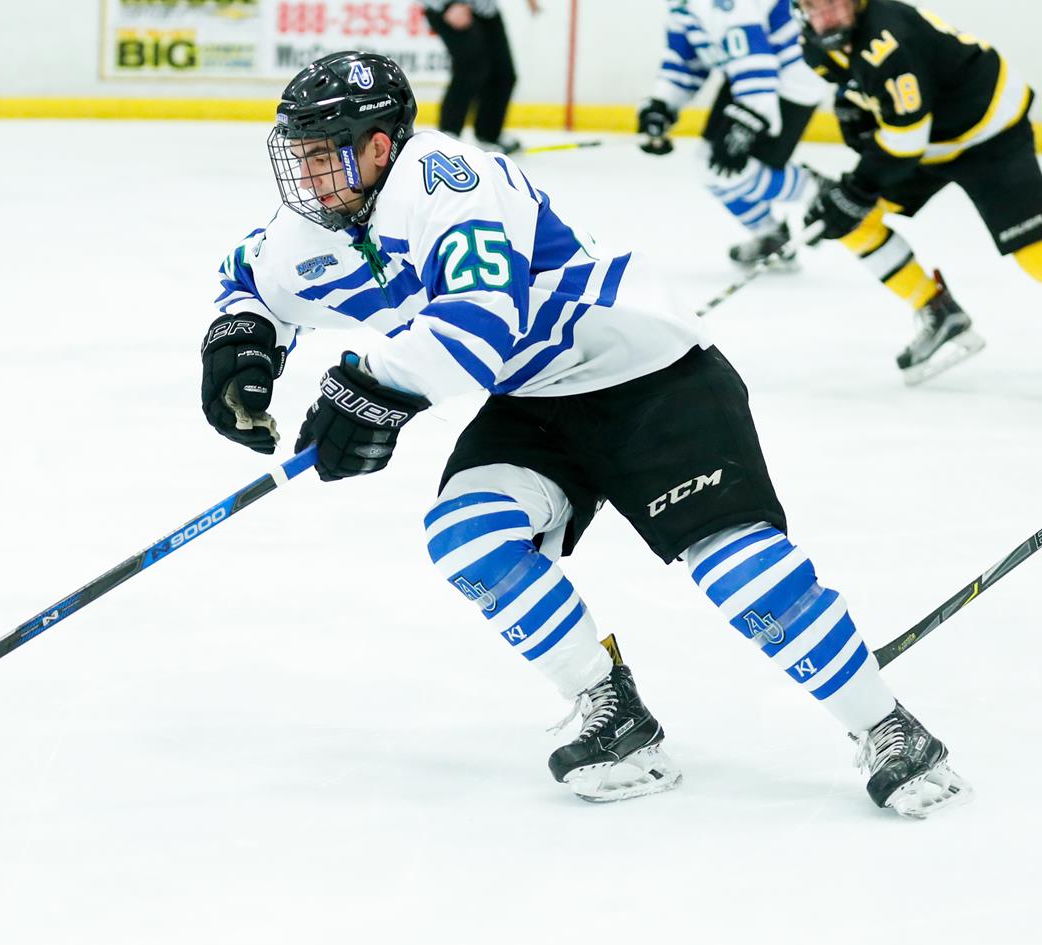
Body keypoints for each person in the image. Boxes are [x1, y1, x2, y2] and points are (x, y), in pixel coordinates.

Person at [200, 49, 967, 816]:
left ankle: (890, 727)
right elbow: (250, 279)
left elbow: (479, 322)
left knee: (734, 567)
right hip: (538, 398)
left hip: (648, 369)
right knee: (467, 533)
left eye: (319, 154)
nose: (305, 176)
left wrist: (371, 386)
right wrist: (242, 349)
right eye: (295, 154)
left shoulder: (444, 180)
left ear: (377, 143)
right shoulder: (320, 221)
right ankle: (613, 710)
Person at [796, 0, 1042, 385]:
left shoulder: (886, 40)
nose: (827, 16)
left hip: (989, 131)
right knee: (855, 224)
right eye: (815, 8)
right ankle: (938, 311)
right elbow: (856, 85)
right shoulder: (816, 43)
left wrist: (857, 188)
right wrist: (852, 101)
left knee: (1034, 252)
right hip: (932, 140)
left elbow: (905, 139)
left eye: (835, 4)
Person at [637, 0, 830, 267]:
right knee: (708, 165)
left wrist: (751, 117)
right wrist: (663, 104)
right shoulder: (683, 5)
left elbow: (754, 55)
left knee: (728, 170)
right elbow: (686, 58)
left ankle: (817, 191)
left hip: (791, 77)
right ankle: (771, 236)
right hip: (746, 77)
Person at [422, 1, 539, 154]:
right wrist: (455, 4)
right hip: (449, 6)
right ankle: (448, 135)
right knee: (470, 69)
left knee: (503, 74)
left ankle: (488, 135)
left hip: (485, 9)